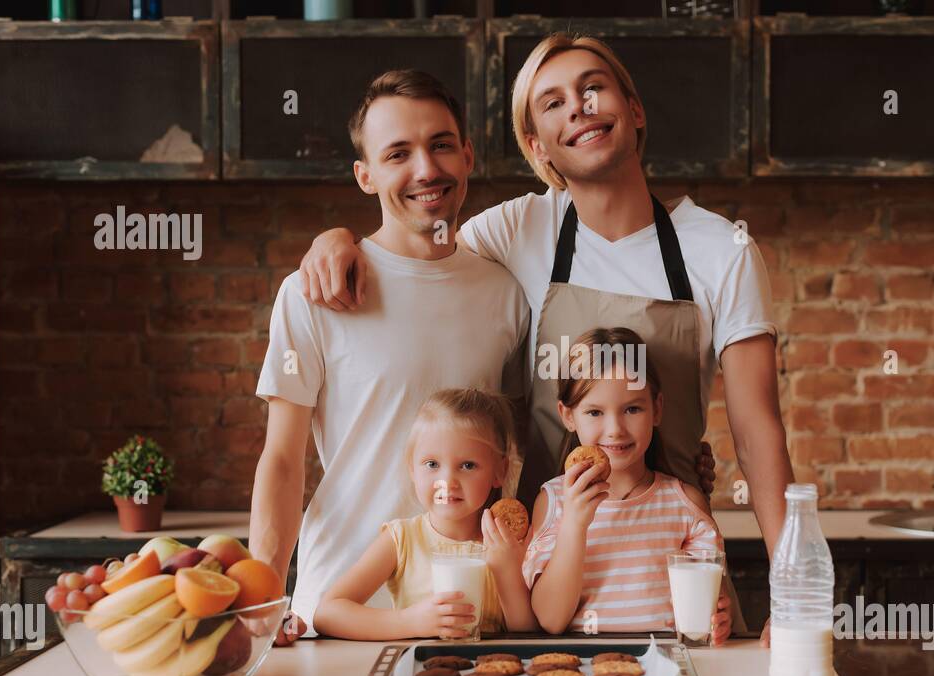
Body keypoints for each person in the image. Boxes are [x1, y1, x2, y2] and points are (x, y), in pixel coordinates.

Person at [298, 35, 794, 643]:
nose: (579, 108)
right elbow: (418, 242)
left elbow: (757, 428)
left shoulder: (723, 251)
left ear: (633, 109)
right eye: (553, 102)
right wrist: (338, 237)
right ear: (537, 145)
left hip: (672, 582)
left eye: (593, 88)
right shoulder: (522, 227)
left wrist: (793, 587)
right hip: (539, 592)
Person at [250, 70, 529, 644]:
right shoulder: (315, 292)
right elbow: (282, 460)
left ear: (468, 154)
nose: (426, 169)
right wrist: (265, 600)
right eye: (398, 153)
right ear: (365, 175)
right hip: (335, 614)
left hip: (467, 615)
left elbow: (519, 446)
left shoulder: (506, 293)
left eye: (441, 144)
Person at [523, 328, 731, 643]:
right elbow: (551, 620)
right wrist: (575, 524)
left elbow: (705, 612)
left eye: (632, 409)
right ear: (567, 415)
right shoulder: (553, 500)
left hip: (666, 667)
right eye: (594, 412)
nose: (615, 430)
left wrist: (718, 616)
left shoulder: (685, 503)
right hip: (581, 671)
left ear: (657, 409)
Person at [314, 389, 537, 640]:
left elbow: (527, 634)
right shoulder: (401, 540)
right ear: (412, 469)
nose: (447, 481)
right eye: (432, 464)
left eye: (467, 465)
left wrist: (508, 573)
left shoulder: (510, 544)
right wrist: (407, 622)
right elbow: (327, 613)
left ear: (500, 471)